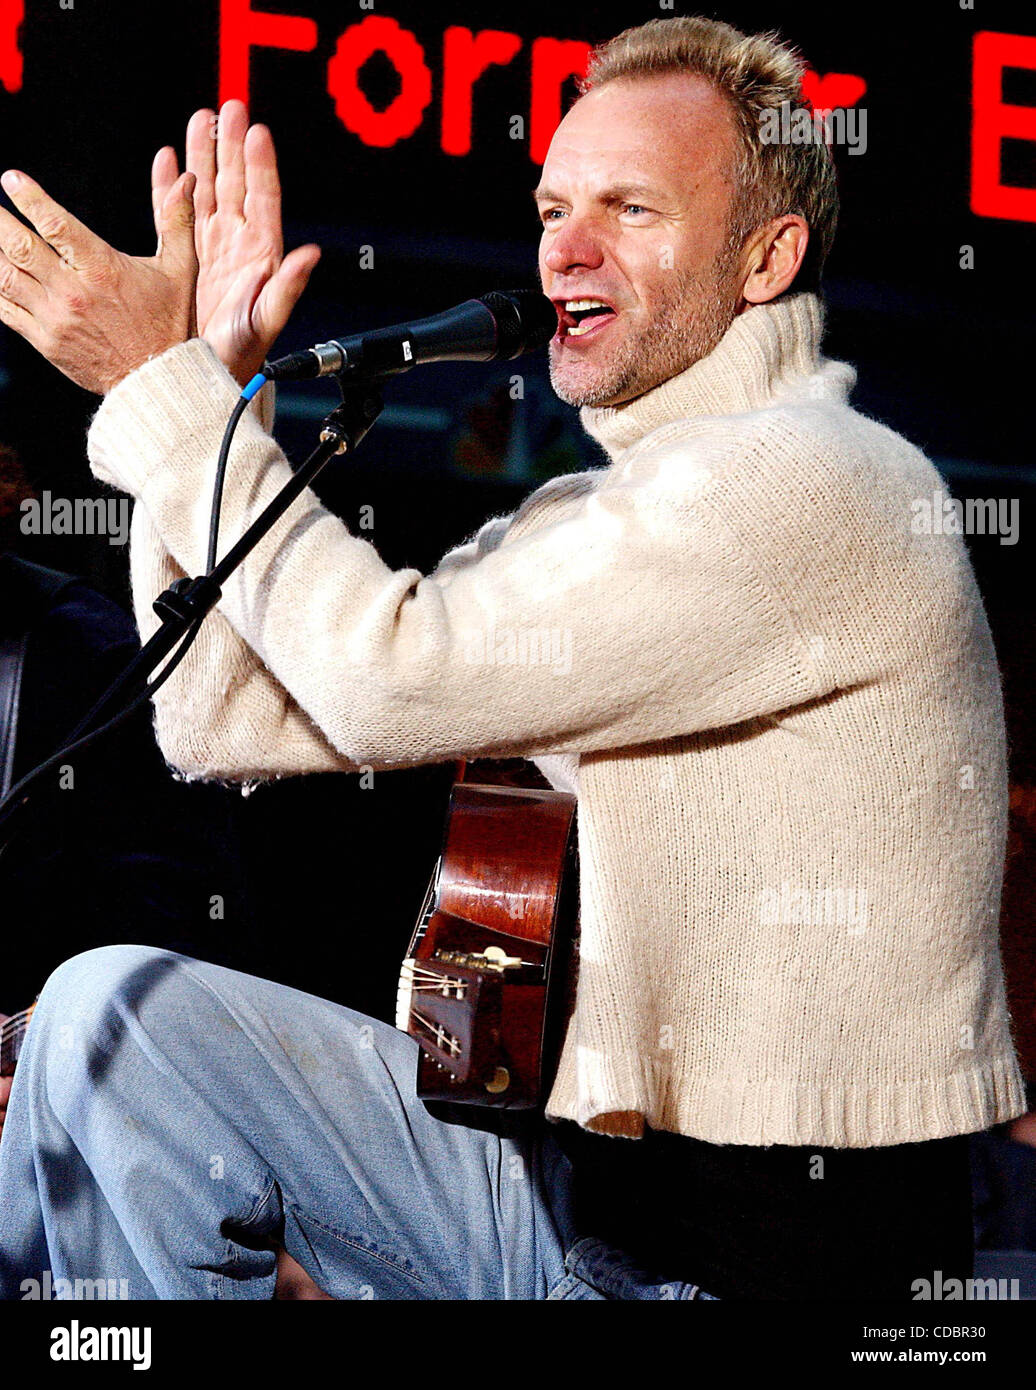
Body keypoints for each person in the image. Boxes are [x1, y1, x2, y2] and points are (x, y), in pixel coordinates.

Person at [0, 15, 1024, 1301]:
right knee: (114, 1022)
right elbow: (227, 721)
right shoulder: (592, 514)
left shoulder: (822, 482)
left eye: (630, 207)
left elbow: (385, 676)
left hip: (754, 1273)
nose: (565, 247)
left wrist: (167, 394)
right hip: (562, 1199)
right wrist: (217, 387)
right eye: (553, 204)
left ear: (767, 257)